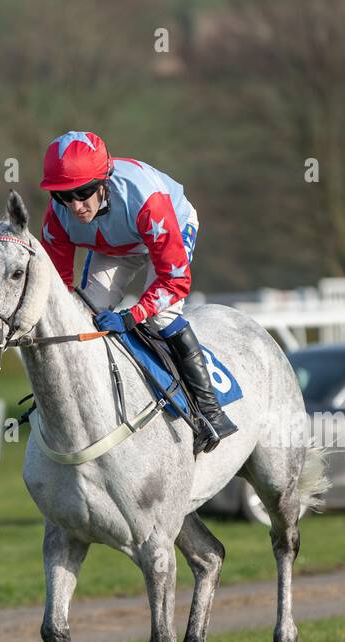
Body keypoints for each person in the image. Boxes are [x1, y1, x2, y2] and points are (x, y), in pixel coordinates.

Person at [38, 130, 237, 453]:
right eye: (63, 195)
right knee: (83, 316)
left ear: (103, 181)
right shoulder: (57, 216)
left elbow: (175, 282)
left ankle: (210, 410)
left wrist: (133, 316)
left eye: (84, 192)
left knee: (161, 317)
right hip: (114, 245)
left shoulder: (146, 200)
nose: (74, 206)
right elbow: (60, 288)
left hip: (167, 227)